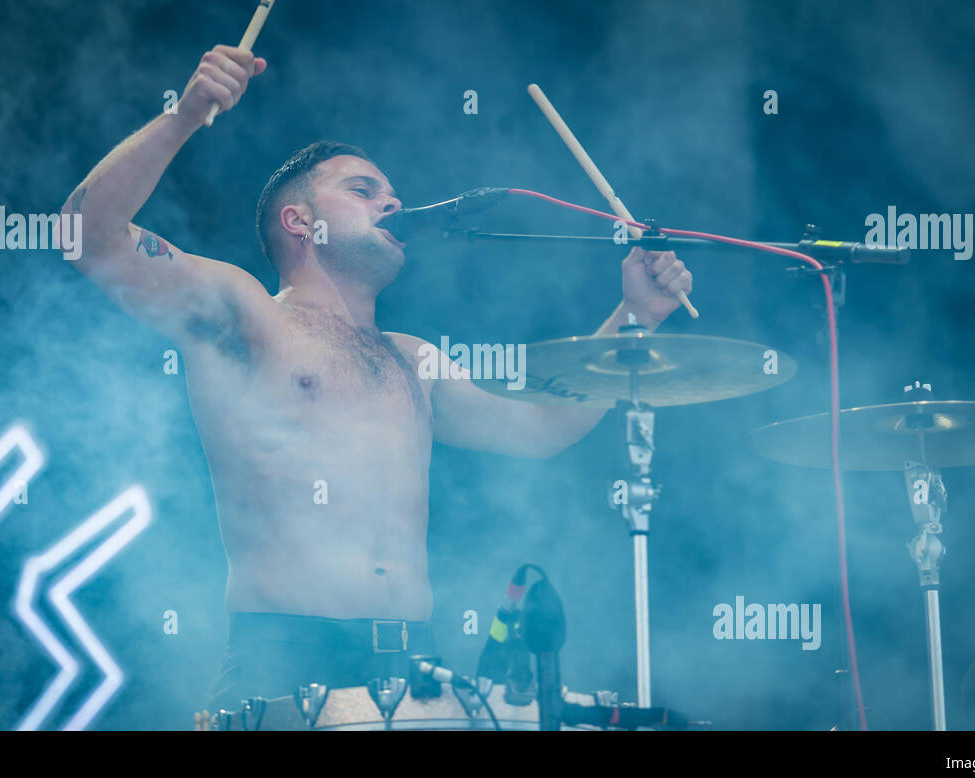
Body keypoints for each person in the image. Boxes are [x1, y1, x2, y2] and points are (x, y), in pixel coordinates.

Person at [60, 45, 694, 711]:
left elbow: (542, 428)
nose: (391, 202)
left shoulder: (414, 357)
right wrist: (187, 115)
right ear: (297, 220)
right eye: (363, 190)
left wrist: (635, 316)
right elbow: (85, 236)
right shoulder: (245, 312)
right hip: (286, 654)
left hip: (416, 658)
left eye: (391, 194)